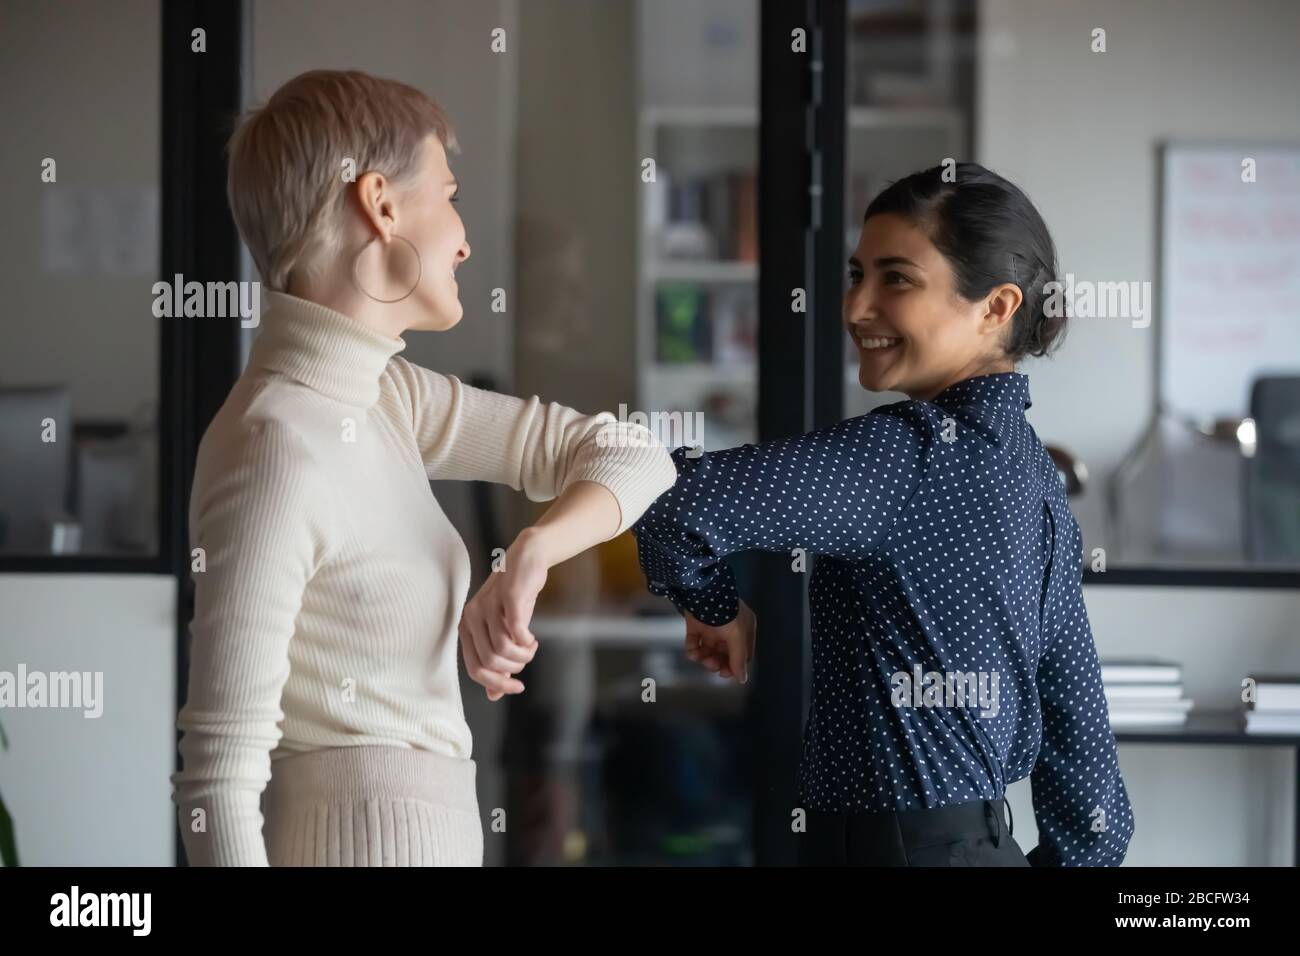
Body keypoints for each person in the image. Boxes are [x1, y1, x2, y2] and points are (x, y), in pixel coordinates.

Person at [170, 69, 676, 866]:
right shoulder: (275, 442)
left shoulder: (387, 397)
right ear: (379, 204)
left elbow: (636, 455)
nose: (465, 236)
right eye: (449, 193)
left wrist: (533, 554)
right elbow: (216, 782)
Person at [632, 163, 1135, 866]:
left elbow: (672, 505)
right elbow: (1093, 804)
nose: (856, 306)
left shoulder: (905, 455)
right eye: (855, 274)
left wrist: (713, 607)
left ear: (995, 308)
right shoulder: (1035, 478)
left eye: (896, 278)